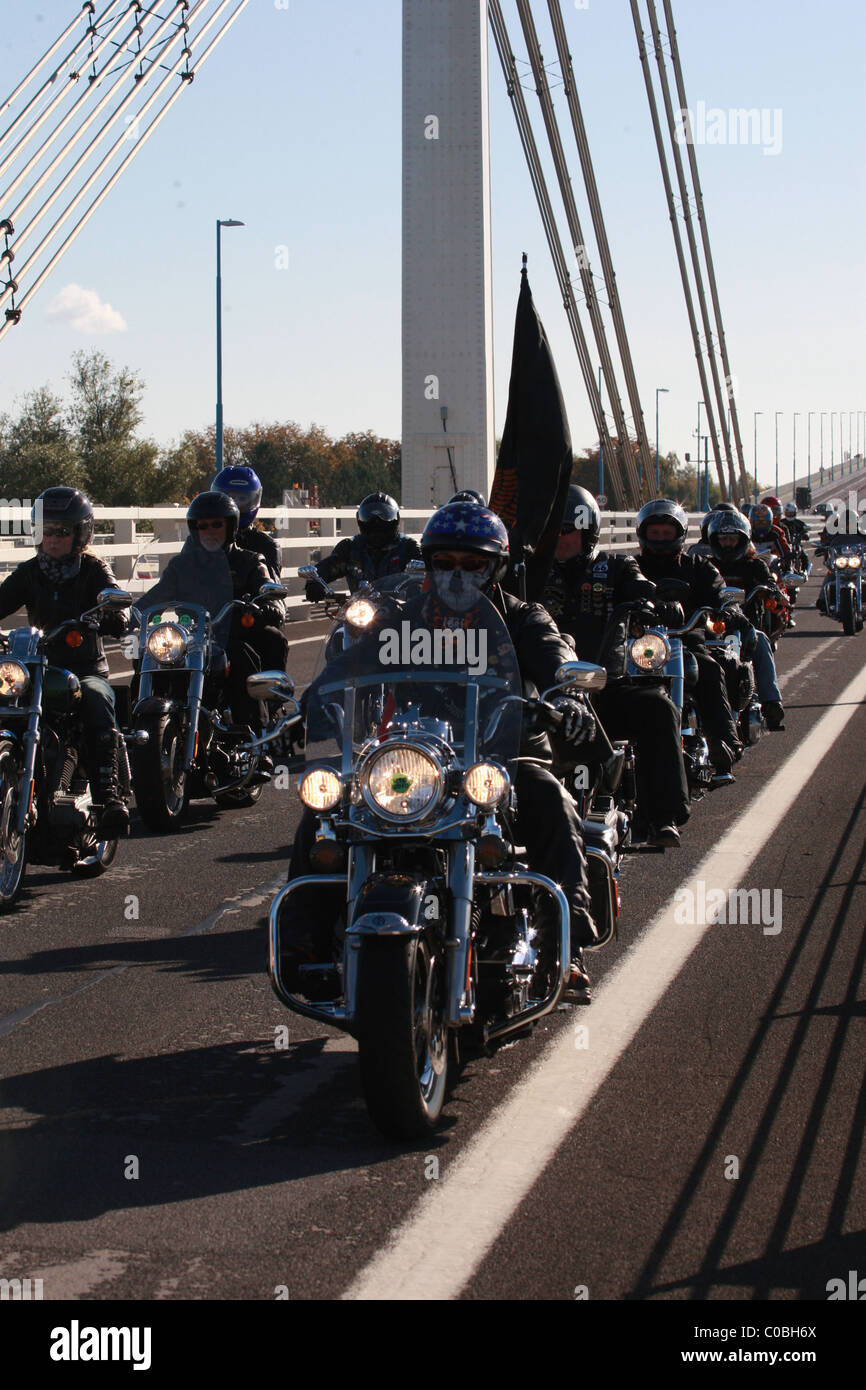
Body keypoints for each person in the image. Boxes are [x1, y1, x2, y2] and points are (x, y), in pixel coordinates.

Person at [282, 500, 601, 998]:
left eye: (472, 564)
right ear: (427, 564)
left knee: (551, 798)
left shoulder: (522, 618)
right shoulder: (401, 617)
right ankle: (303, 944)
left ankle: (568, 943)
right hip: (416, 754)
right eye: (445, 562)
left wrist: (570, 692)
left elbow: (555, 653)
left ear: (495, 567)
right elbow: (343, 670)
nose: (457, 574)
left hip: (503, 754)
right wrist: (305, 709)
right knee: (326, 804)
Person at [542, 484, 689, 845]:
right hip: (545, 692)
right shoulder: (530, 571)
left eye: (568, 531)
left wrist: (654, 603)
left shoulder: (617, 566)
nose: (561, 540)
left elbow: (642, 586)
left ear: (588, 532)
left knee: (658, 706)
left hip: (606, 687)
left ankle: (661, 817)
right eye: (554, 532)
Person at [0, 487, 130, 834]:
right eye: (46, 530)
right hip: (36, 670)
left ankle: (108, 794)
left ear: (80, 534)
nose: (52, 539)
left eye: (62, 531)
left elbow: (119, 612)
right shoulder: (29, 573)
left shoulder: (92, 569)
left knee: (96, 695)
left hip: (84, 669)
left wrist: (105, 618)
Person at [139, 492, 286, 736]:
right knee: (150, 656)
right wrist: (130, 611)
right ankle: (141, 730)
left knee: (241, 656)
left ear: (230, 526)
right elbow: (157, 595)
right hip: (191, 640)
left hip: (231, 636)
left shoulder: (249, 561)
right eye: (202, 525)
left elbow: (267, 589)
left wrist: (267, 605)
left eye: (216, 524)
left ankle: (254, 733)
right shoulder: (182, 565)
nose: (209, 531)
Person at [633, 499, 743, 779]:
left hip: (686, 642)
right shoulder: (630, 567)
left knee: (708, 668)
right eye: (655, 533)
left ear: (679, 534)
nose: (660, 539)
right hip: (638, 645)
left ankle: (725, 741)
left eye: (666, 533)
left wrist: (728, 610)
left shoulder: (699, 567)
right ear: (644, 534)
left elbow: (721, 594)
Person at [706, 510, 785, 729]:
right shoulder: (707, 566)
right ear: (714, 540)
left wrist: (770, 589)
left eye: (733, 538)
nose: (728, 544)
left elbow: (769, 582)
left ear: (743, 540)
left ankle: (771, 703)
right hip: (714, 627)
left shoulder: (754, 565)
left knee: (761, 642)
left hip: (746, 628)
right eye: (723, 539)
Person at [304, 493, 421, 600]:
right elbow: (330, 566)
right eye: (369, 518)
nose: (376, 524)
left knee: (410, 624)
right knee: (341, 624)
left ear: (396, 519)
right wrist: (315, 582)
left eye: (384, 517)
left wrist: (417, 588)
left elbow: (429, 573)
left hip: (401, 613)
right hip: (361, 611)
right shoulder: (350, 548)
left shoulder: (408, 548)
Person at [211, 465, 282, 581]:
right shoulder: (204, 537)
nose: (236, 504)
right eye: (230, 497)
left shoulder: (266, 545)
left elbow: (272, 589)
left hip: (248, 598)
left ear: (254, 500)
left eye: (242, 498)